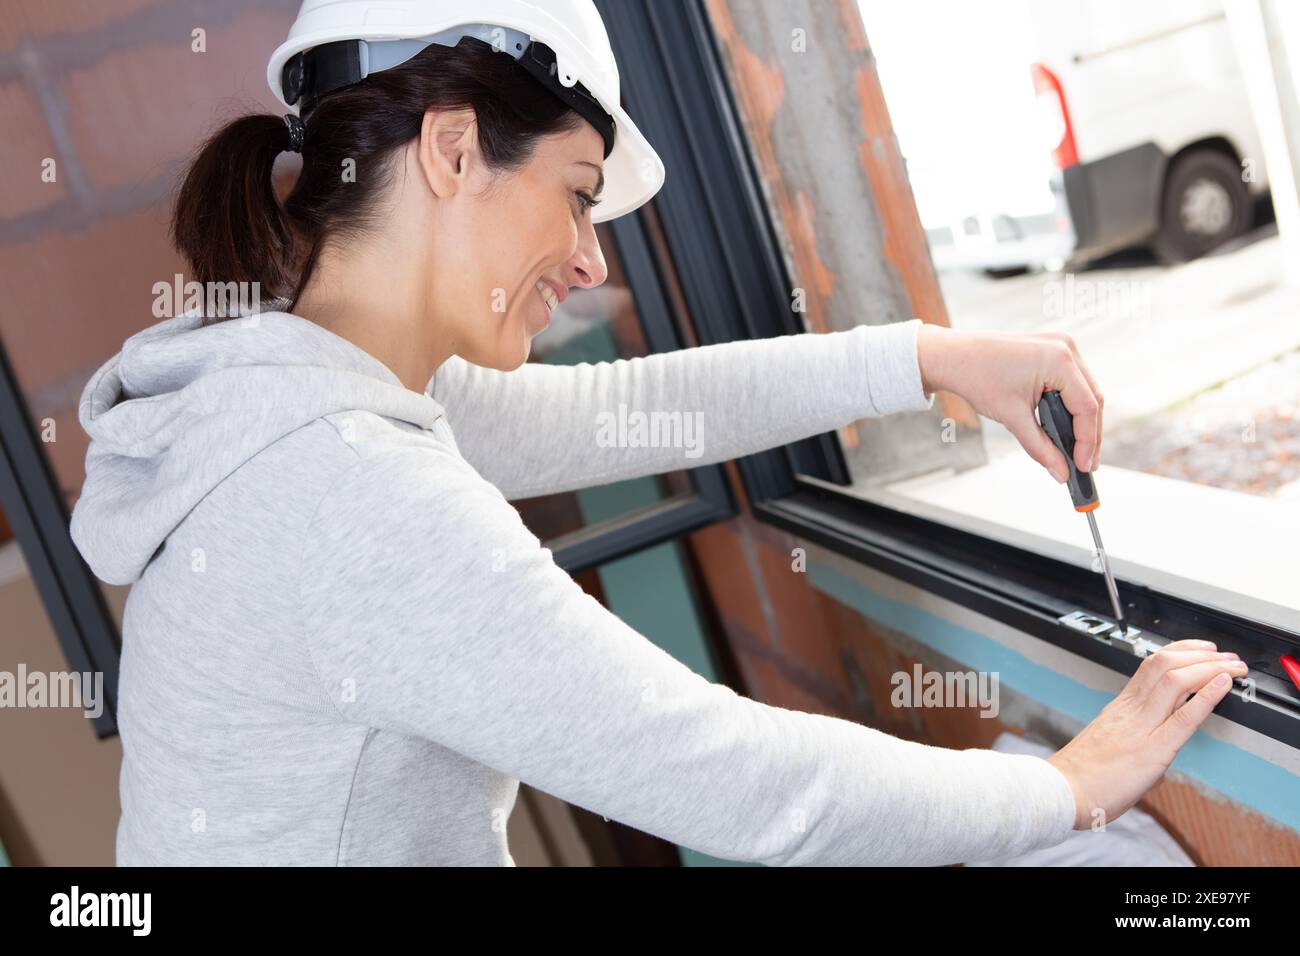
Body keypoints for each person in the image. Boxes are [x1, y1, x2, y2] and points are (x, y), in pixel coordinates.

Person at [70, 0, 1245, 866]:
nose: (590, 258)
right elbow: (736, 783)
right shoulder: (339, 487)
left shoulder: (295, 387)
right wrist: (1070, 787)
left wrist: (931, 358)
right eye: (578, 192)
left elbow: (633, 409)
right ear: (451, 148)